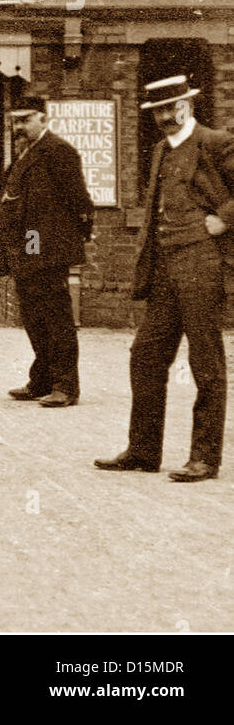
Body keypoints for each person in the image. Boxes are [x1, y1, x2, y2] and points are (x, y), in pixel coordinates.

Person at [96, 75, 234, 482]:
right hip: (165, 270)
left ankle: (204, 458)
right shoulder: (161, 149)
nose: (162, 118)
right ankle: (142, 451)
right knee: (146, 356)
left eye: (169, 109)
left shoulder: (215, 142)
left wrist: (223, 220)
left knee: (205, 362)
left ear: (186, 106)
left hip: (201, 265)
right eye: (156, 111)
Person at [0, 96, 95, 408]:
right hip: (31, 241)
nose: (19, 126)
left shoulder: (58, 150)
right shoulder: (25, 152)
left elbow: (79, 199)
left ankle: (66, 385)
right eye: (16, 120)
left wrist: (72, 238)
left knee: (55, 316)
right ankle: (41, 378)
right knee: (33, 314)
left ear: (43, 119)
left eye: (26, 120)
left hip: (50, 244)